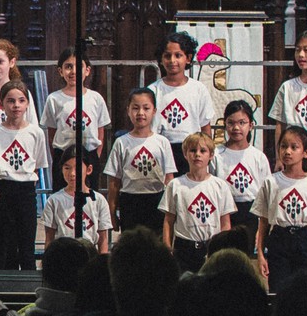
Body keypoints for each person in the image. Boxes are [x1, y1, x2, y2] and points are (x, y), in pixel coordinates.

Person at [254, 123, 307, 293]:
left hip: (306, 240)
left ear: (306, 152)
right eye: (283, 146)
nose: (287, 152)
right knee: (279, 289)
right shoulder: (271, 181)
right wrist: (261, 253)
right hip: (280, 239)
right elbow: (263, 221)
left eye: (294, 147)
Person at [0, 80, 47, 270]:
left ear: (27, 103)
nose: (16, 105)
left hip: (25, 192)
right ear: (2, 104)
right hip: (0, 191)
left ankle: (27, 294)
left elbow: (37, 165)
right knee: (1, 247)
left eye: (21, 100)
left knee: (26, 248)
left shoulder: (36, 133)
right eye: (10, 101)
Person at [104, 87, 176, 236]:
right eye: (135, 108)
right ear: (128, 110)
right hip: (130, 201)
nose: (141, 113)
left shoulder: (162, 142)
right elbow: (114, 182)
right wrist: (112, 213)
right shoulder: (121, 143)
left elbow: (169, 180)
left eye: (146, 108)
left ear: (154, 111)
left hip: (156, 200)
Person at [162, 132, 236, 273]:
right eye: (192, 150)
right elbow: (168, 221)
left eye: (203, 151)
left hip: (211, 247)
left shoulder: (220, 186)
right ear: (185, 154)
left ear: (211, 155)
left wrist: (223, 249)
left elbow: (225, 223)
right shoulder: (176, 185)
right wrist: (167, 248)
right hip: (184, 248)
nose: (197, 155)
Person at [41, 51, 110, 180]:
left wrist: (95, 155)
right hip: (63, 155)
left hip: (89, 155)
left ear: (87, 70)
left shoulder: (96, 98)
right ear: (60, 71)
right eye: (68, 67)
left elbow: (100, 130)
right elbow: (52, 133)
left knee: (89, 196)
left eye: (79, 66)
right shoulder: (54, 99)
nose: (73, 71)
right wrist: (59, 155)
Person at [212, 98, 271, 241]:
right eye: (231, 123)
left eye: (242, 123)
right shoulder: (216, 155)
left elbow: (267, 194)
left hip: (250, 212)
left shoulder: (258, 157)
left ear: (251, 125)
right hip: (225, 210)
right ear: (225, 125)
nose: (236, 128)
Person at [150, 31, 215, 151]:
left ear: (188, 58)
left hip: (191, 150)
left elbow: (205, 127)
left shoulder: (198, 90)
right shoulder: (153, 90)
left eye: (178, 55)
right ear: (161, 59)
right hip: (160, 149)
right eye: (167, 56)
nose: (172, 60)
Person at [41, 151, 112, 253]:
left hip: (90, 255)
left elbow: (103, 239)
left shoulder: (98, 200)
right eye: (67, 168)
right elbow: (49, 238)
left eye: (77, 168)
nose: (72, 173)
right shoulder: (54, 201)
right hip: (63, 255)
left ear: (89, 169)